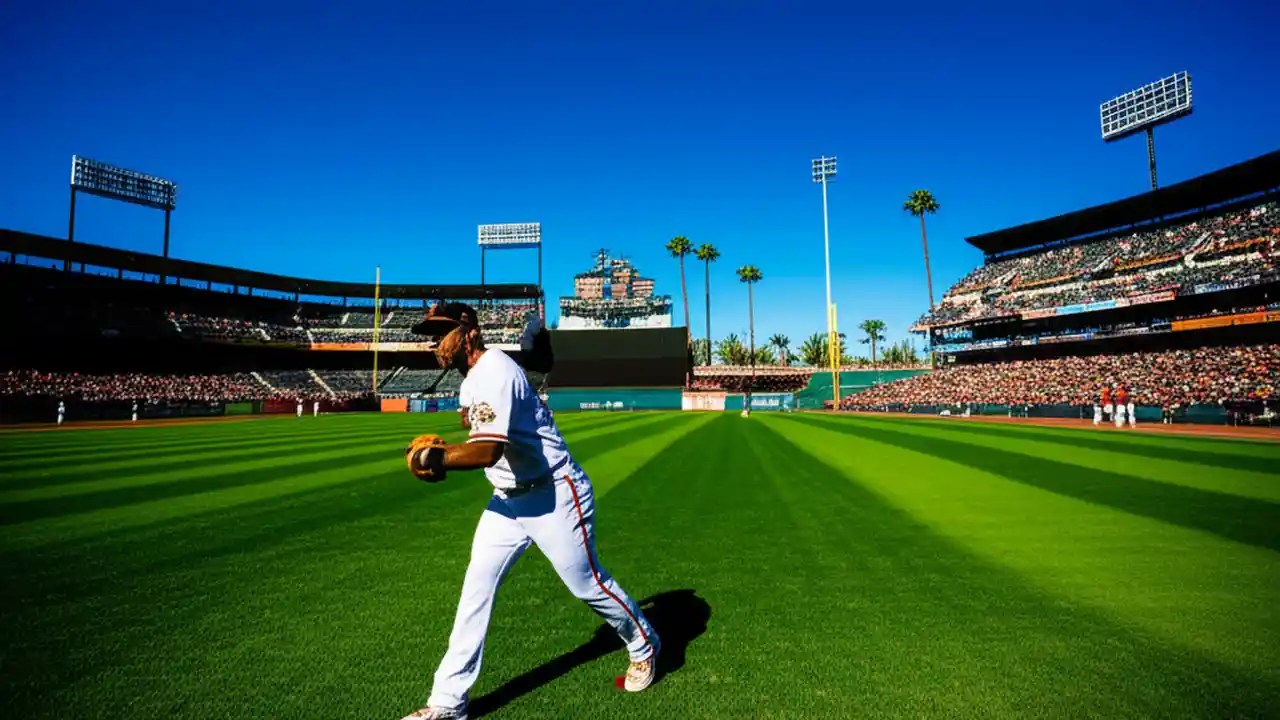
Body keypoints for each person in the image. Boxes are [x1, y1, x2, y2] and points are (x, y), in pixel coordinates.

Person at [398, 302, 658, 720]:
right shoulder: (471, 379)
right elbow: (483, 430)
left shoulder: (495, 371)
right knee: (476, 589)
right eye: (429, 334)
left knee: (587, 585)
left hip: (553, 493)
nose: (433, 341)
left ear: (469, 332)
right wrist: (449, 449)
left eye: (440, 332)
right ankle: (447, 704)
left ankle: (644, 642)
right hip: (505, 500)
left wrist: (438, 457)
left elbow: (487, 450)